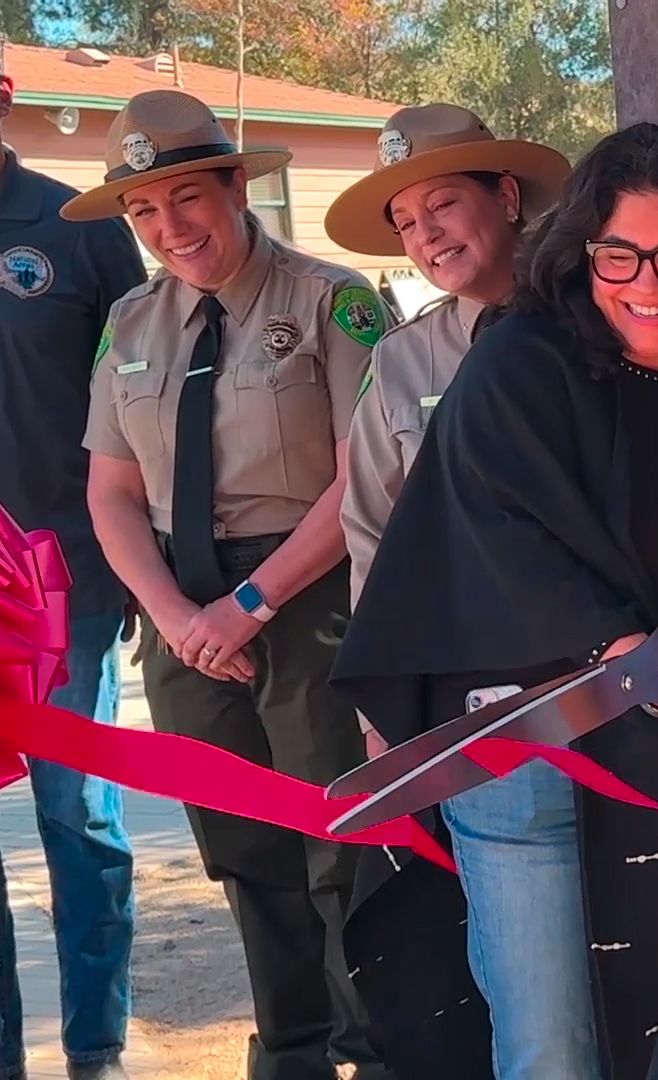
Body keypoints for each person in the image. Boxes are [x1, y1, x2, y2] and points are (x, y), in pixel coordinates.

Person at [331, 122, 658, 1080]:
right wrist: (642, 667)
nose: (648, 283)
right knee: (554, 1044)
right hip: (533, 743)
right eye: (619, 253)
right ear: (583, 251)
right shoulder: (516, 363)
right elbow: (503, 548)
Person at [69, 89, 392, 1080]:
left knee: (339, 839)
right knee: (241, 849)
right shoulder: (130, 322)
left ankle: (371, 1050)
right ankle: (290, 1050)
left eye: (186, 198)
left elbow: (360, 478)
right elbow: (112, 492)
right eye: (144, 211)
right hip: (181, 611)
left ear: (236, 185)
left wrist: (246, 607)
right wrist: (178, 617)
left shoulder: (333, 300)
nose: (170, 228)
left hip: (307, 598)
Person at [324, 104, 575, 1078]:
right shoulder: (402, 364)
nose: (428, 234)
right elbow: (373, 543)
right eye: (406, 221)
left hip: (604, 694)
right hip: (473, 715)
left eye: (444, 204)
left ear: (506, 198)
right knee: (522, 984)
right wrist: (384, 726)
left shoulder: (594, 326)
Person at [0, 62, 146, 1080]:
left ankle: (96, 1049)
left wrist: (144, 561)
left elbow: (145, 397)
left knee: (75, 815)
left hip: (65, 582)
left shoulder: (76, 226)